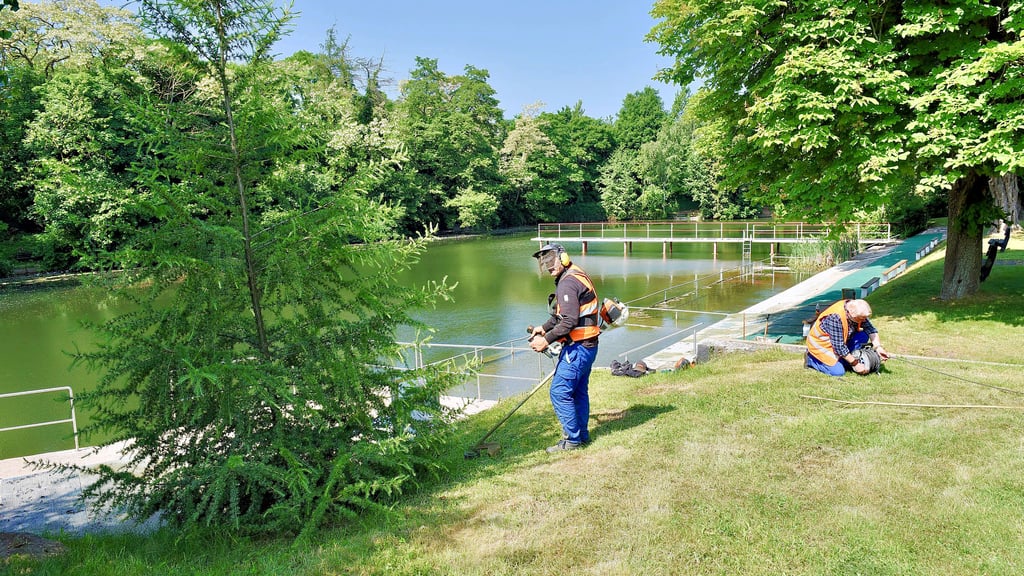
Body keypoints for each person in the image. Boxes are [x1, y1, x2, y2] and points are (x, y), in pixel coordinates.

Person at [529, 243, 600, 452]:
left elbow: (568, 321)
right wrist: (543, 328)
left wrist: (546, 340)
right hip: (587, 346)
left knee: (560, 392)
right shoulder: (573, 275)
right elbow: (561, 316)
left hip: (578, 348)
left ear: (564, 257)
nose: (548, 266)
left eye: (551, 260)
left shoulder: (567, 283)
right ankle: (582, 435)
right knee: (578, 392)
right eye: (544, 262)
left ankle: (572, 440)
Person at [805, 298, 890, 376]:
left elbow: (870, 330)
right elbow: (839, 347)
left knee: (864, 334)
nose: (864, 320)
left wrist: (878, 347)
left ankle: (846, 359)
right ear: (850, 314)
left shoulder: (856, 310)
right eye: (861, 318)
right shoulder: (835, 317)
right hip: (822, 347)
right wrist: (855, 364)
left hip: (840, 342)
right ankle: (811, 359)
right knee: (838, 372)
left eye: (865, 318)